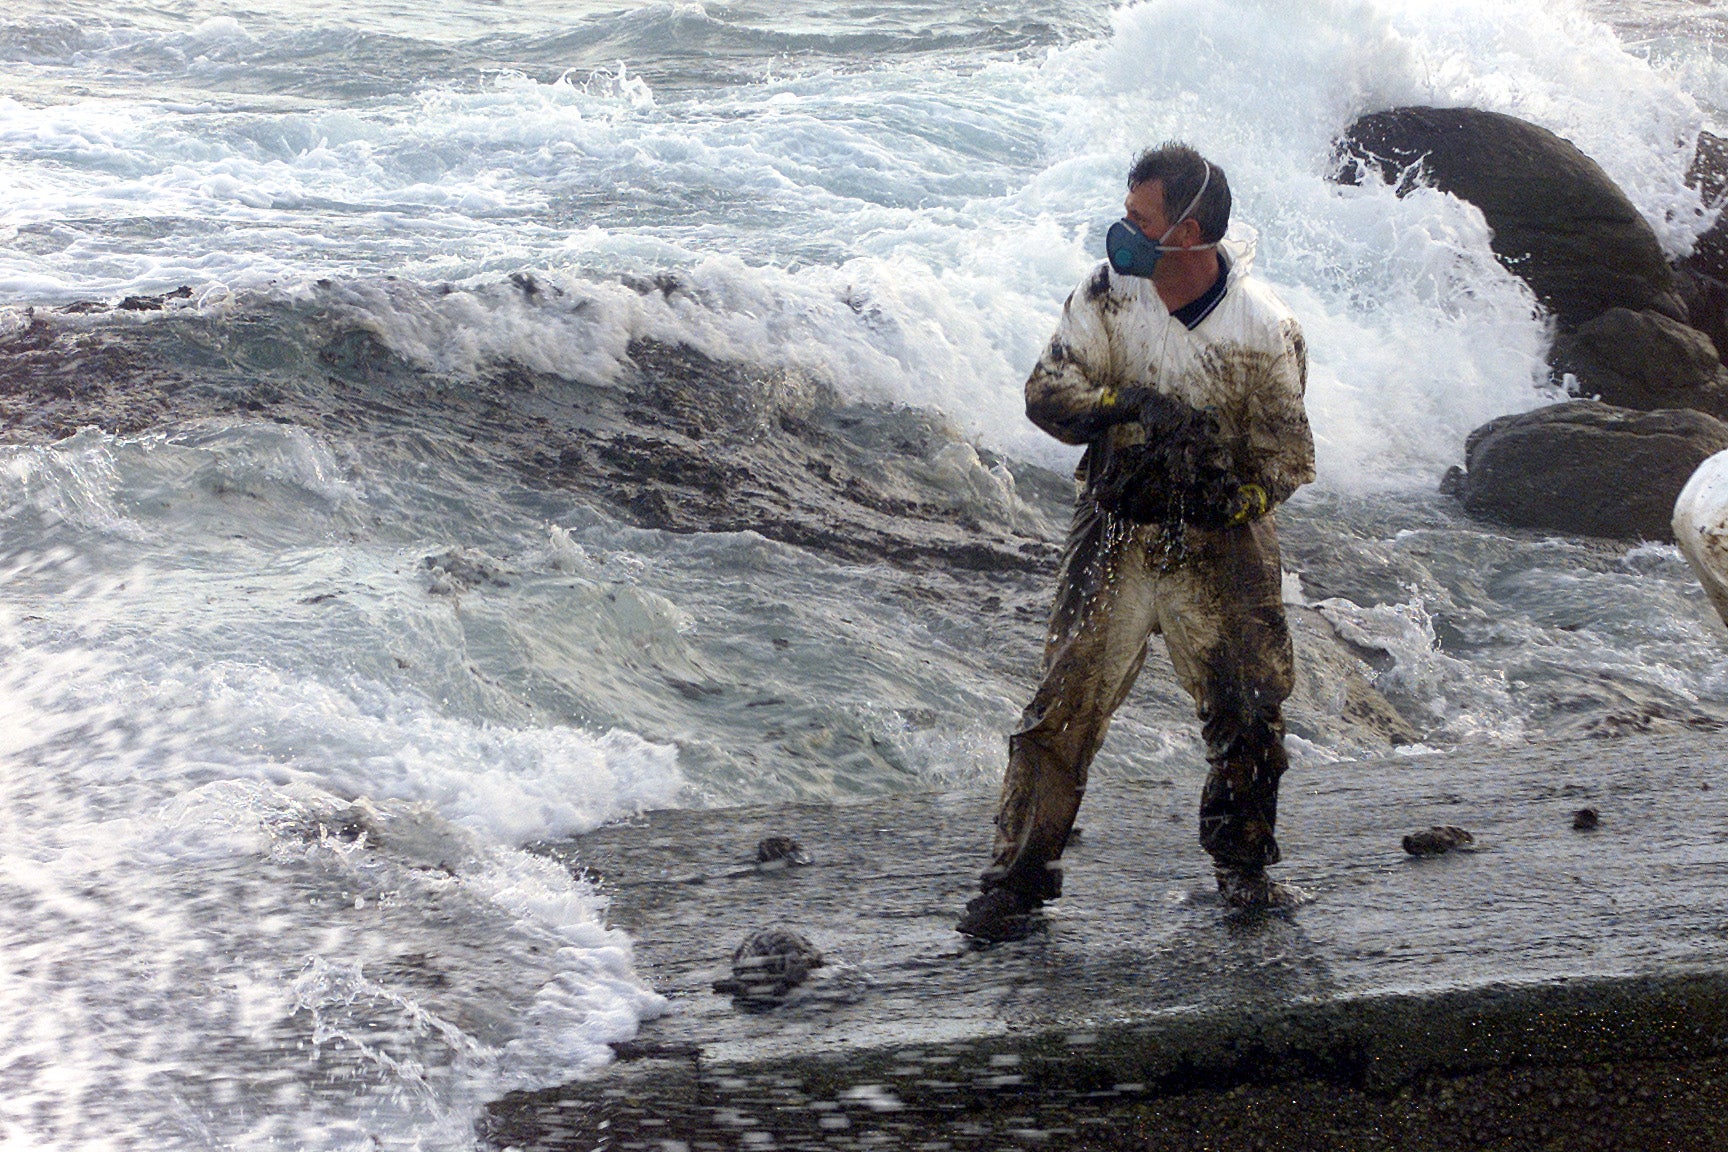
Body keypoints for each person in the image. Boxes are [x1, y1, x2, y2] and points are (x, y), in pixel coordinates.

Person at [956, 142, 1316, 942]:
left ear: (1188, 233)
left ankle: (1245, 871)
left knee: (1250, 709)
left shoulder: (1265, 331)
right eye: (1125, 218)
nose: (1123, 236)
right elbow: (1047, 393)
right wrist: (1129, 405)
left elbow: (1289, 458)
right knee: (1063, 706)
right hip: (1116, 525)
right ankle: (1015, 881)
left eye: (1139, 222)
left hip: (1220, 546)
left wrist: (1237, 495)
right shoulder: (1107, 292)